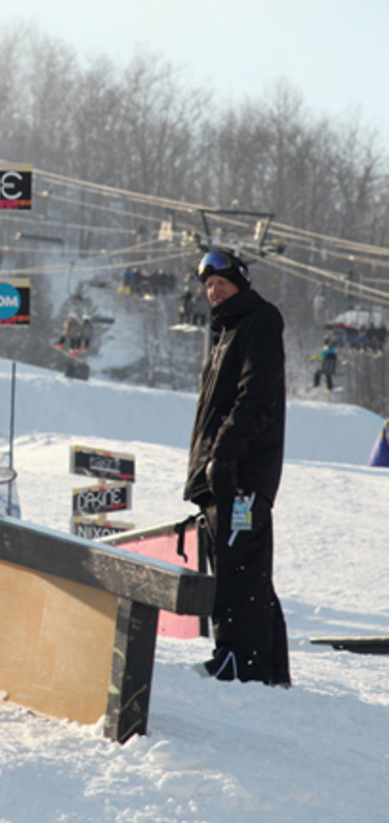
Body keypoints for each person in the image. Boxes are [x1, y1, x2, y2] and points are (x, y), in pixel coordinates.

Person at [183, 248, 291, 687]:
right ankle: (268, 668)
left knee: (238, 569)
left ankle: (239, 660)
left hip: (239, 473)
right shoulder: (227, 332)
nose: (213, 292)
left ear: (240, 285)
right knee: (245, 566)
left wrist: (224, 457)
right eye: (208, 286)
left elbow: (256, 398)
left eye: (222, 284)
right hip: (222, 473)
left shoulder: (257, 324)